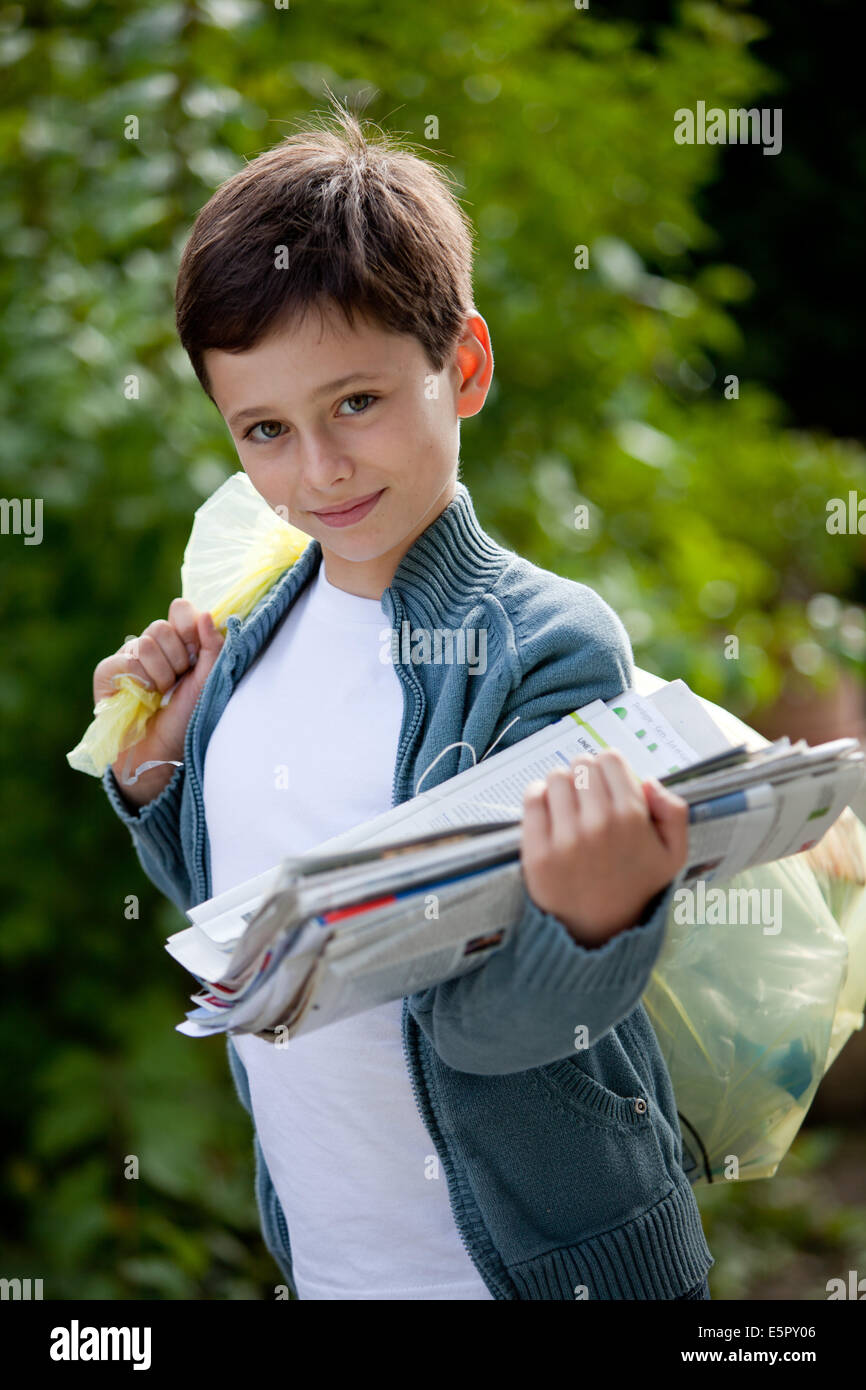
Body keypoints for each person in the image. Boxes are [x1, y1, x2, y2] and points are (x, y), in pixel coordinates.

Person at [93, 97, 713, 1301]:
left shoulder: (541, 646)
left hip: (548, 1277)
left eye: (356, 403)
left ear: (462, 366)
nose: (316, 470)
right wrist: (158, 774)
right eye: (264, 429)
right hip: (333, 1260)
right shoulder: (251, 636)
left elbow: (492, 1029)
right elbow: (257, 932)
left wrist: (592, 920)